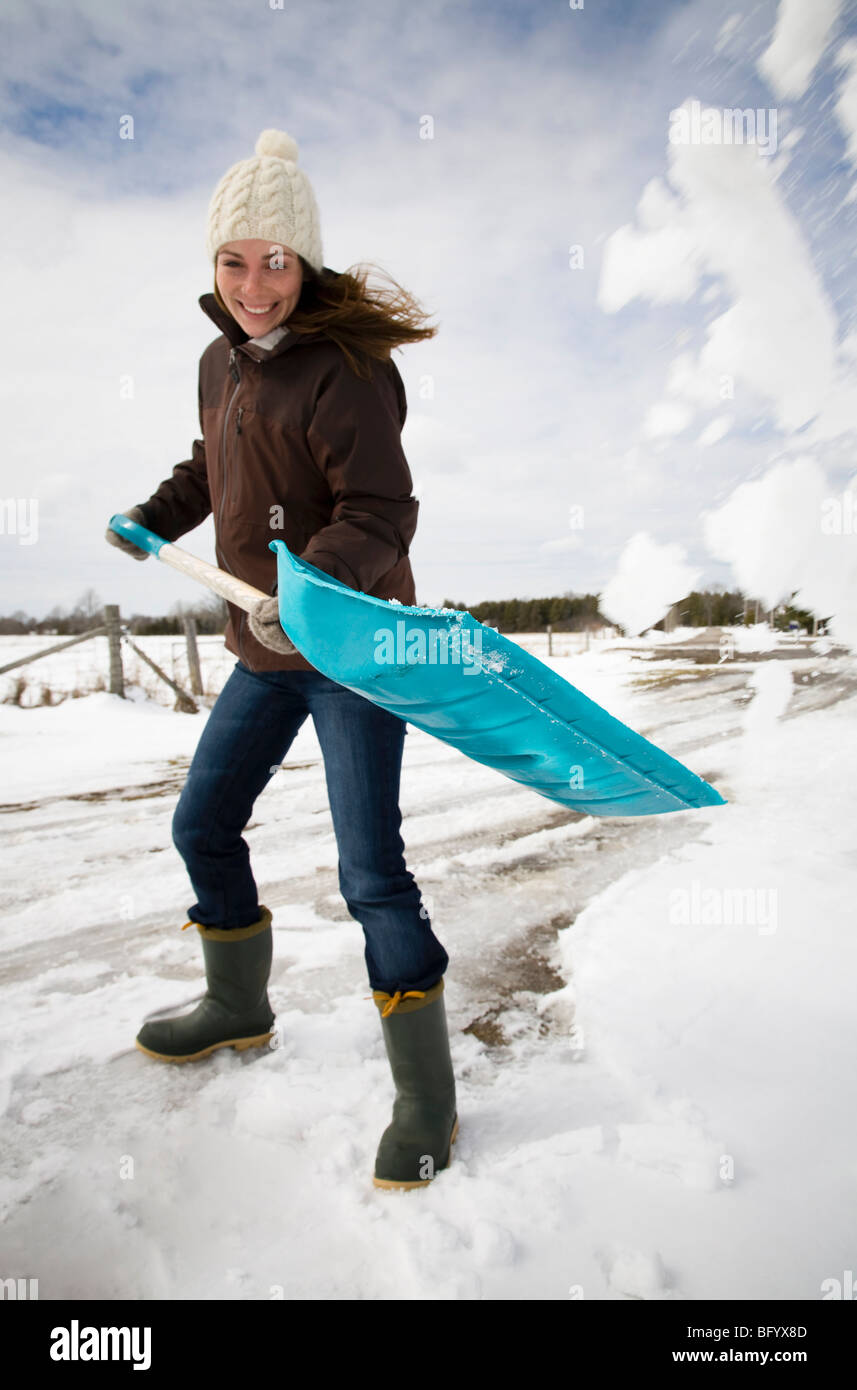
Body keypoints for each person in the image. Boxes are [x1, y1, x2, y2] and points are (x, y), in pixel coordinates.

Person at [106, 129, 458, 1191]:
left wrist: (305, 592)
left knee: (371, 876)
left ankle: (427, 1099)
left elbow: (381, 511)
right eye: (232, 260)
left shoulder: (349, 366)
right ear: (212, 266)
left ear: (305, 264)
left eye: (274, 261)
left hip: (350, 647)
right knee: (201, 822)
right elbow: (210, 461)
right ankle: (238, 1001)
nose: (252, 284)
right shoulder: (218, 361)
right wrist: (152, 513)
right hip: (260, 649)